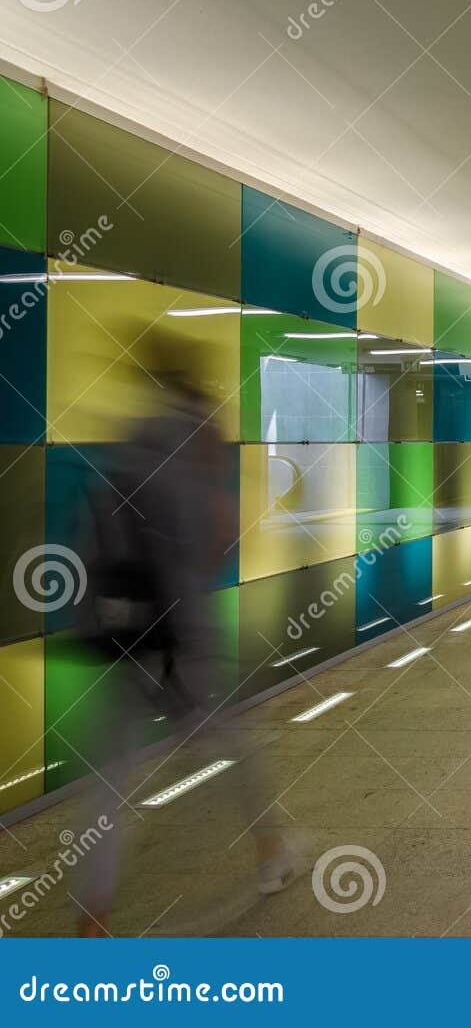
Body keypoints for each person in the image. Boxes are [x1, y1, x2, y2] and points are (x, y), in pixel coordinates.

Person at [74, 327, 297, 935]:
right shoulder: (202, 441)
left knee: (110, 773)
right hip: (187, 630)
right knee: (233, 742)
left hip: (128, 629)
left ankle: (93, 915)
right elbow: (219, 538)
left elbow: (98, 537)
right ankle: (271, 854)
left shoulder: (132, 439)